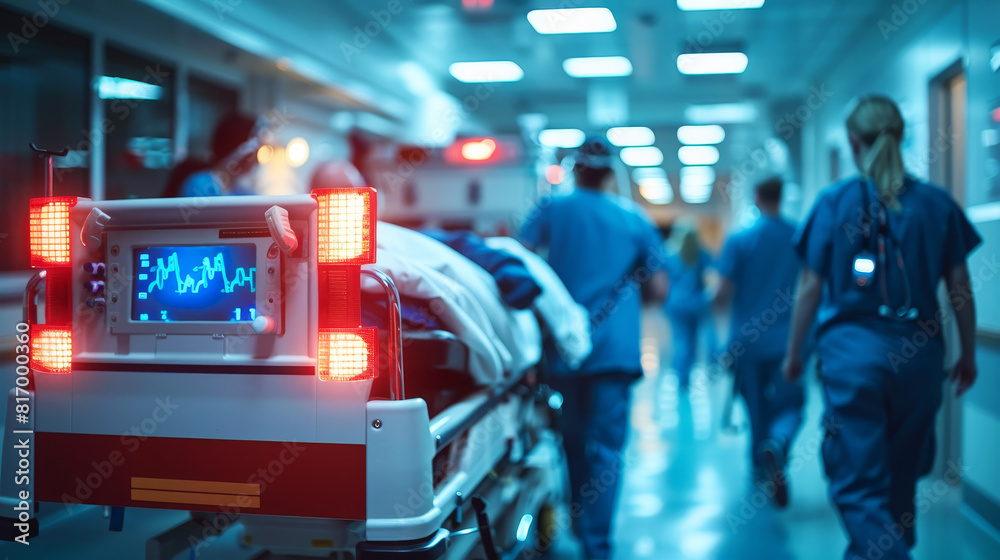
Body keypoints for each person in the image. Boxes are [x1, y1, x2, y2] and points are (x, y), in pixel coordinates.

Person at [783, 96, 980, 560]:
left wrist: (794, 354)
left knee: (858, 484)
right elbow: (960, 287)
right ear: (901, 136)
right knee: (901, 477)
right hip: (920, 359)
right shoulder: (936, 204)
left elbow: (810, 288)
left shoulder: (834, 203)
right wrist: (968, 353)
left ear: (854, 142)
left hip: (853, 359)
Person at [518, 135, 667, 560]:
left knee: (571, 437)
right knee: (606, 448)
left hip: (565, 348)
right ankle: (597, 543)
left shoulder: (552, 209)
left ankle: (581, 521)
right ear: (610, 174)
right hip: (615, 351)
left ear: (576, 169)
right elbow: (659, 288)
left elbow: (518, 260)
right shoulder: (635, 220)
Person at [714, 177, 805, 507]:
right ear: (782, 196)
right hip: (789, 341)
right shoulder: (799, 237)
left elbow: (722, 293)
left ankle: (759, 464)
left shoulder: (740, 239)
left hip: (748, 342)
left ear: (756, 197)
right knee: (791, 403)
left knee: (755, 407)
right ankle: (778, 443)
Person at [162, 112, 266, 197]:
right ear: (242, 153)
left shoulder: (241, 190)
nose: (257, 161)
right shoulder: (200, 186)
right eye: (255, 153)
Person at [663, 224, 713, 390]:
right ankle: (686, 375)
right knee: (692, 341)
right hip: (696, 304)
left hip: (677, 304)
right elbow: (712, 275)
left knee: (680, 339)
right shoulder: (701, 253)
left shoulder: (670, 253)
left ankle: (681, 376)